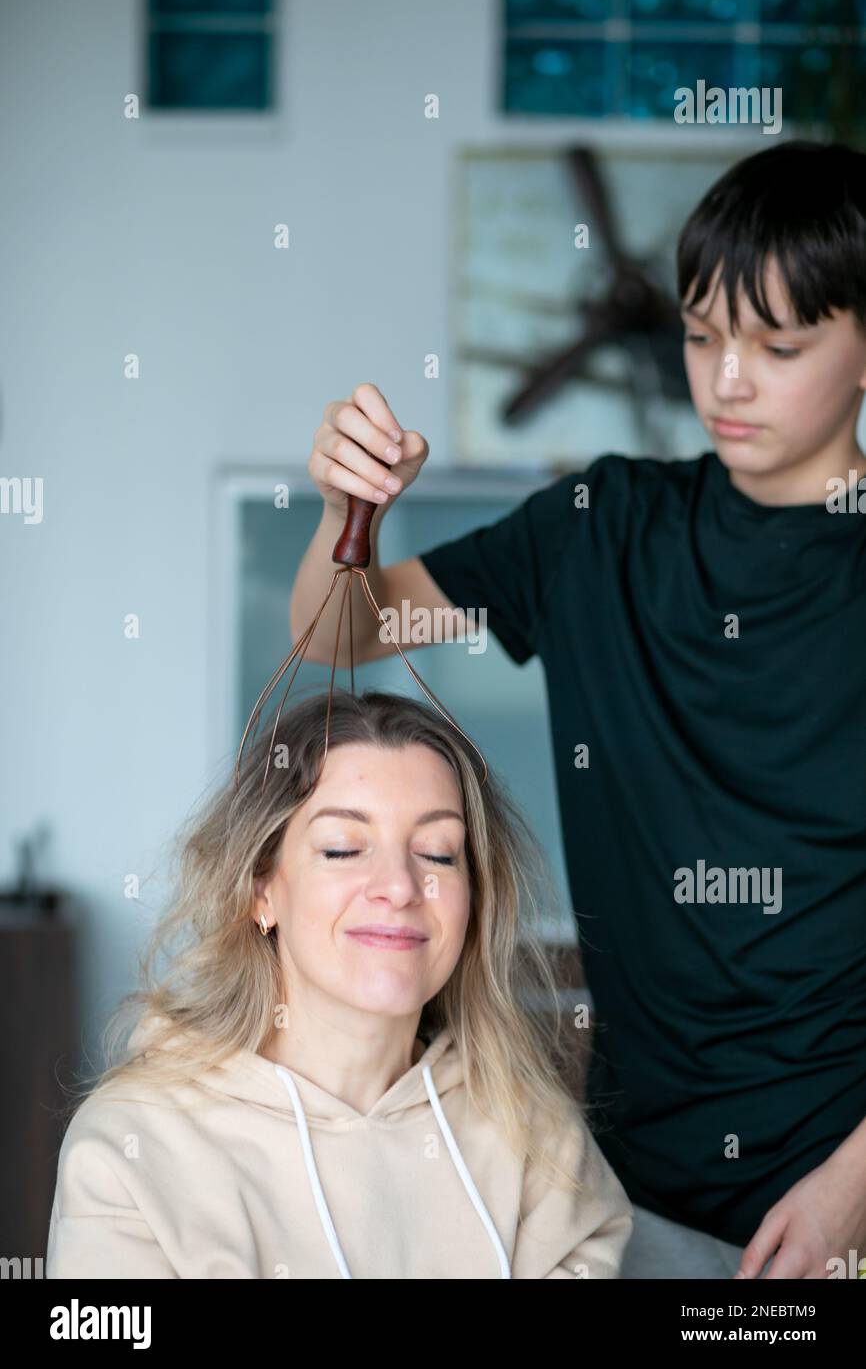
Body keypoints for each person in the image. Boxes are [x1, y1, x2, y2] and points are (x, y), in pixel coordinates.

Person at [292, 139, 866, 1280]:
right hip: (621, 1198)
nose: (726, 382)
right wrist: (344, 512)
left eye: (778, 345)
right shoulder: (598, 525)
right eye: (701, 336)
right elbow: (340, 631)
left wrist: (853, 1188)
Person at [46, 690, 633, 1279]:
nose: (401, 886)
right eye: (344, 848)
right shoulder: (133, 1145)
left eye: (437, 853)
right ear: (261, 889)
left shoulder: (533, 1134)